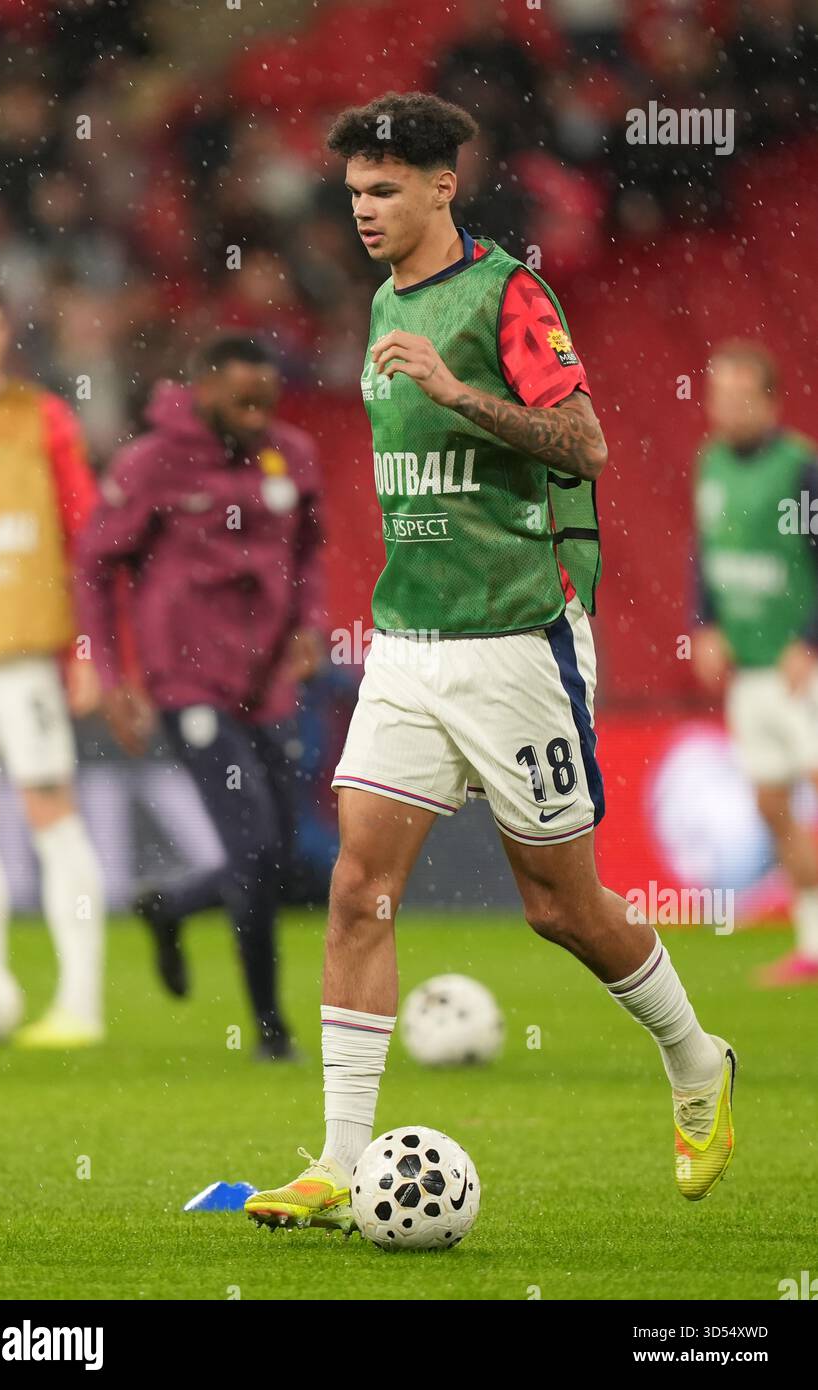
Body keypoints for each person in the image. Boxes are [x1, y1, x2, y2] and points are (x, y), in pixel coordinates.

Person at [245, 91, 736, 1231]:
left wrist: (462, 396)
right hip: (407, 644)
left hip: (516, 636)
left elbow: (586, 439)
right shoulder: (378, 306)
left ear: (439, 186)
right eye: (353, 190)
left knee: (560, 909)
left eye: (383, 189)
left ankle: (694, 1056)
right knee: (358, 889)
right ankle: (333, 1160)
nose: (362, 209)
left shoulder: (506, 293)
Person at [76, 334, 328, 1061]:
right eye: (243, 401)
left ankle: (171, 906)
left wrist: (312, 624)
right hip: (187, 682)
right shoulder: (153, 461)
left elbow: (311, 549)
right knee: (250, 846)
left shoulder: (293, 455)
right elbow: (95, 566)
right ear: (207, 389)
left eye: (267, 401)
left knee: (281, 857)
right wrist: (110, 672)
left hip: (271, 681)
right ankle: (271, 1030)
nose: (258, 417)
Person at [0, 279, 105, 1047]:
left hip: (22, 652)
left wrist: (85, 647)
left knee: (49, 808)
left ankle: (80, 1001)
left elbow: (86, 536)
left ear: (5, 336)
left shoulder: (40, 417)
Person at [692, 340, 818, 987]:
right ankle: (813, 944)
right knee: (773, 804)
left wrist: (809, 637)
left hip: (803, 667)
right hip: (751, 671)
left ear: (770, 401)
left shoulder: (801, 468)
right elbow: (706, 554)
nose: (729, 409)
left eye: (743, 398)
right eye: (721, 397)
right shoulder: (710, 465)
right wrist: (705, 625)